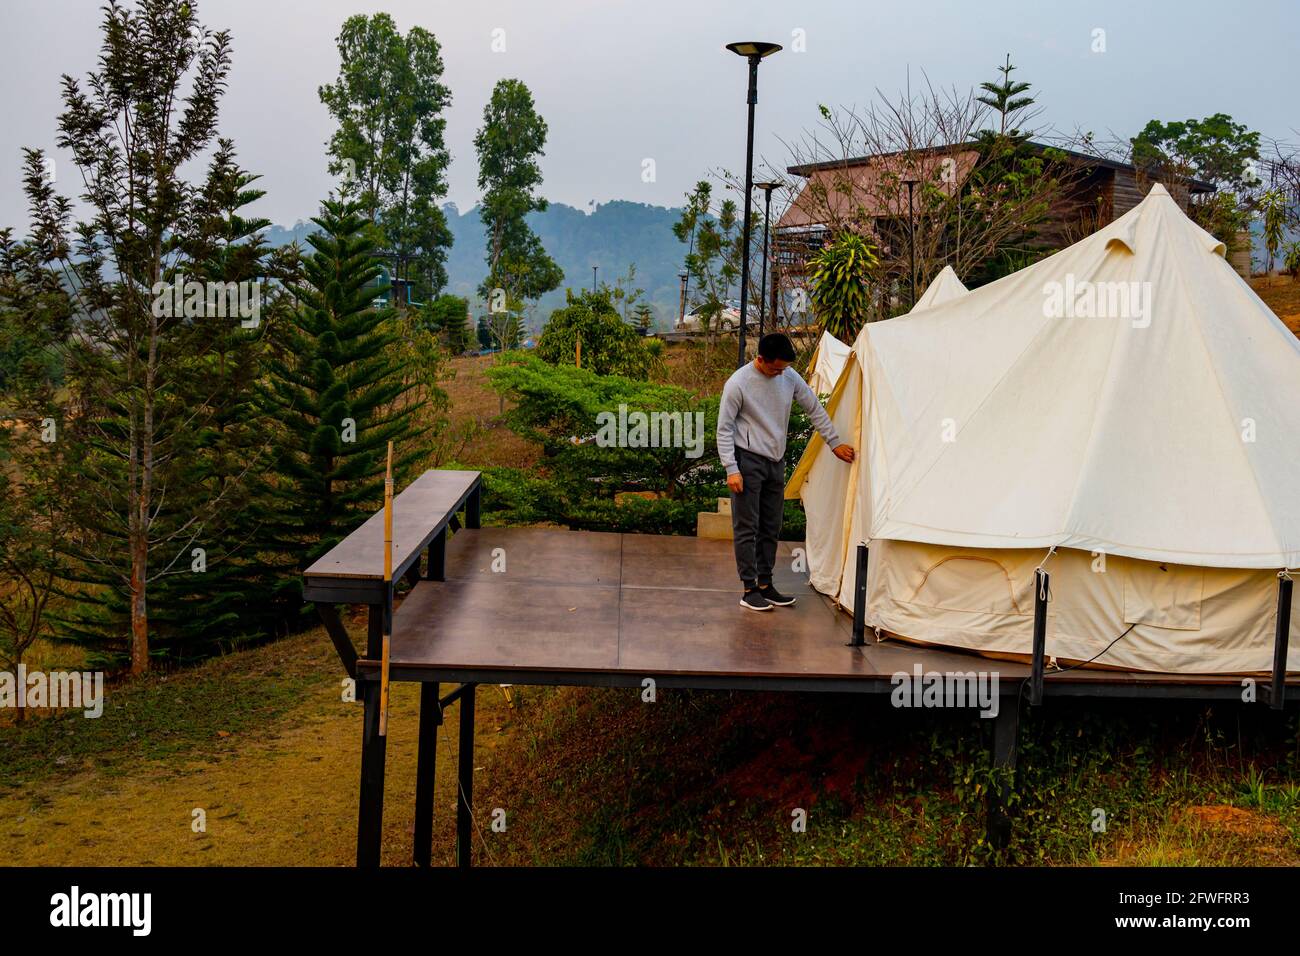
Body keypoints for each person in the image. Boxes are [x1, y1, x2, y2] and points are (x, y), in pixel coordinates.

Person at [716, 332, 855, 612]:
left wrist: (834, 442)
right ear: (761, 360)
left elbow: (814, 408)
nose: (780, 373)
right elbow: (724, 428)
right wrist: (732, 468)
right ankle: (749, 588)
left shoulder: (788, 376)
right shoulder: (738, 384)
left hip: (775, 461)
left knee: (771, 525)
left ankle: (766, 585)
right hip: (747, 461)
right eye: (776, 368)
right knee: (747, 527)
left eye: (784, 368)